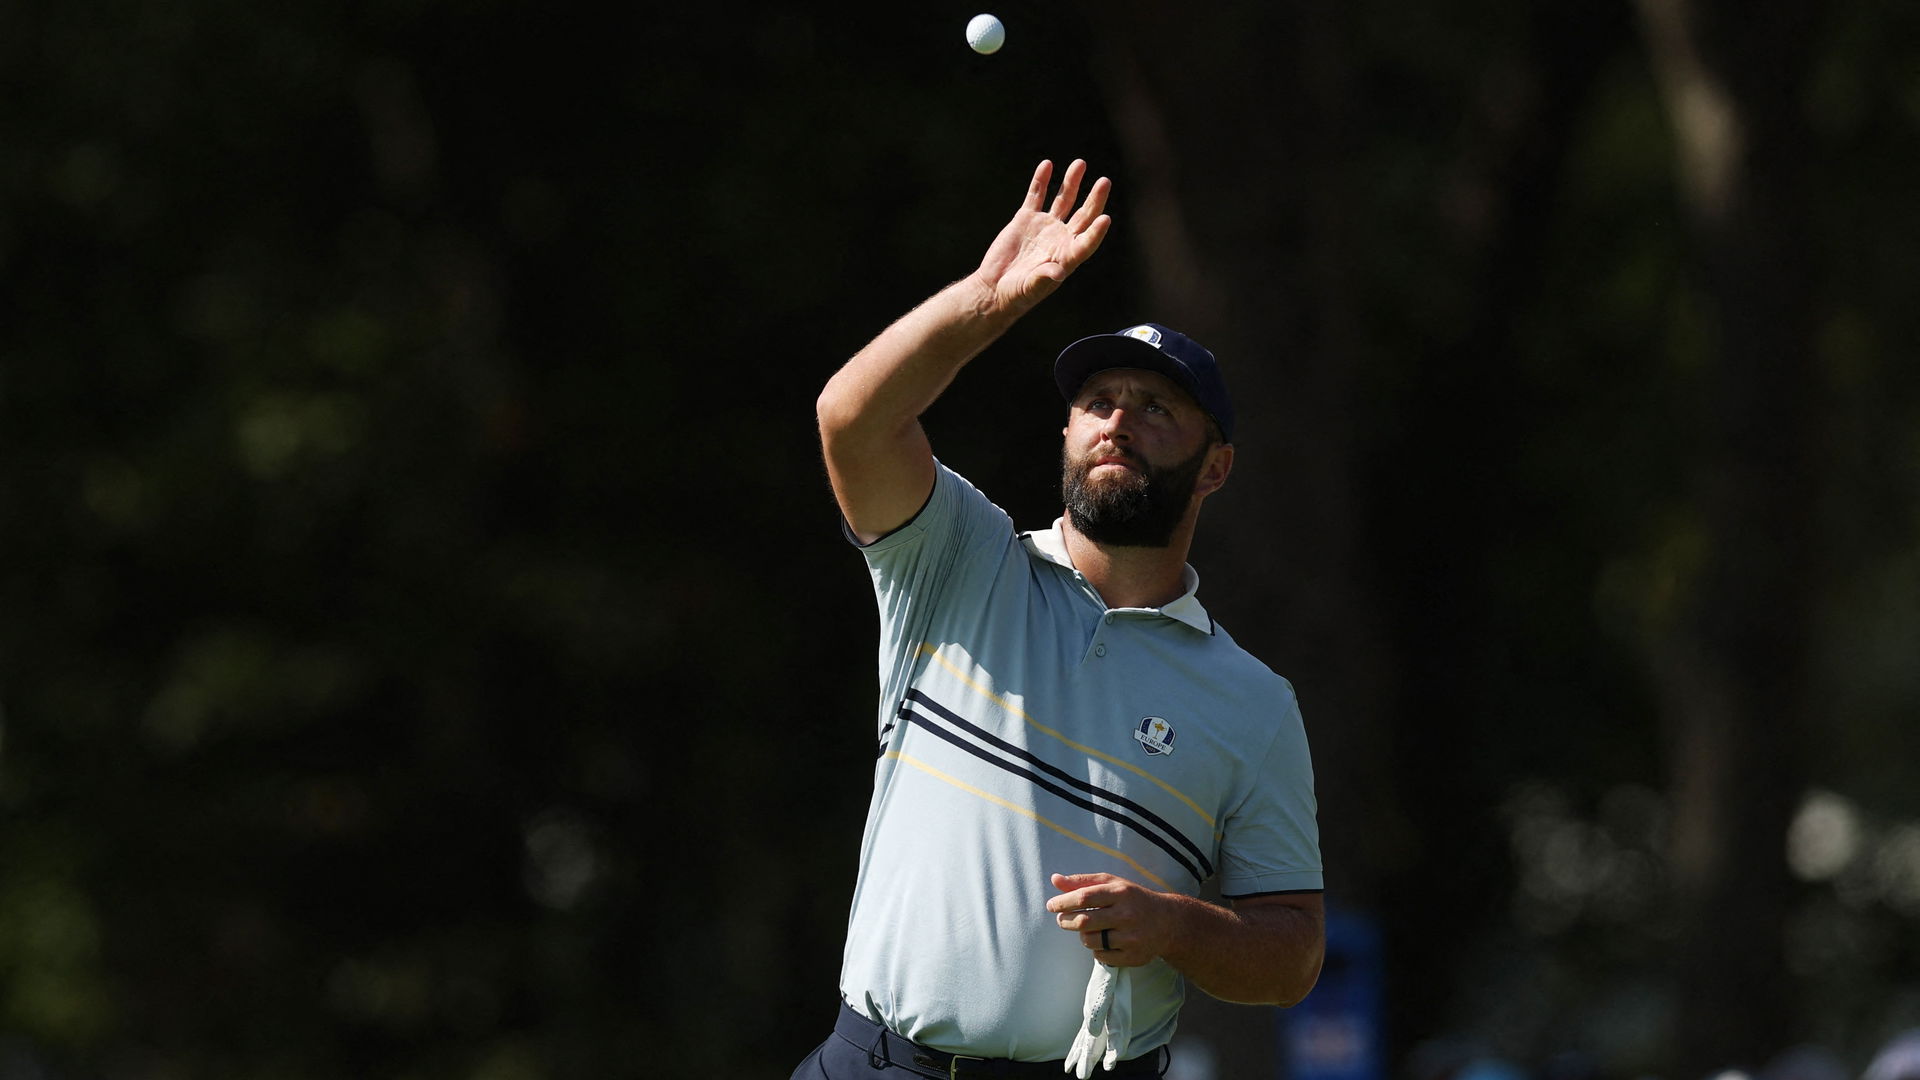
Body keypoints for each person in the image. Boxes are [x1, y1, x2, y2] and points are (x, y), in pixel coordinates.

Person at [793, 159, 1324, 1079]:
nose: (1118, 423)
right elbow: (851, 418)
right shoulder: (959, 556)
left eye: (1156, 410)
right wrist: (985, 302)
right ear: (1068, 432)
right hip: (875, 1064)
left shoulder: (1255, 703)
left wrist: (1174, 926)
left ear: (1215, 467)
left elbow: (1292, 956)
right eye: (1097, 403)